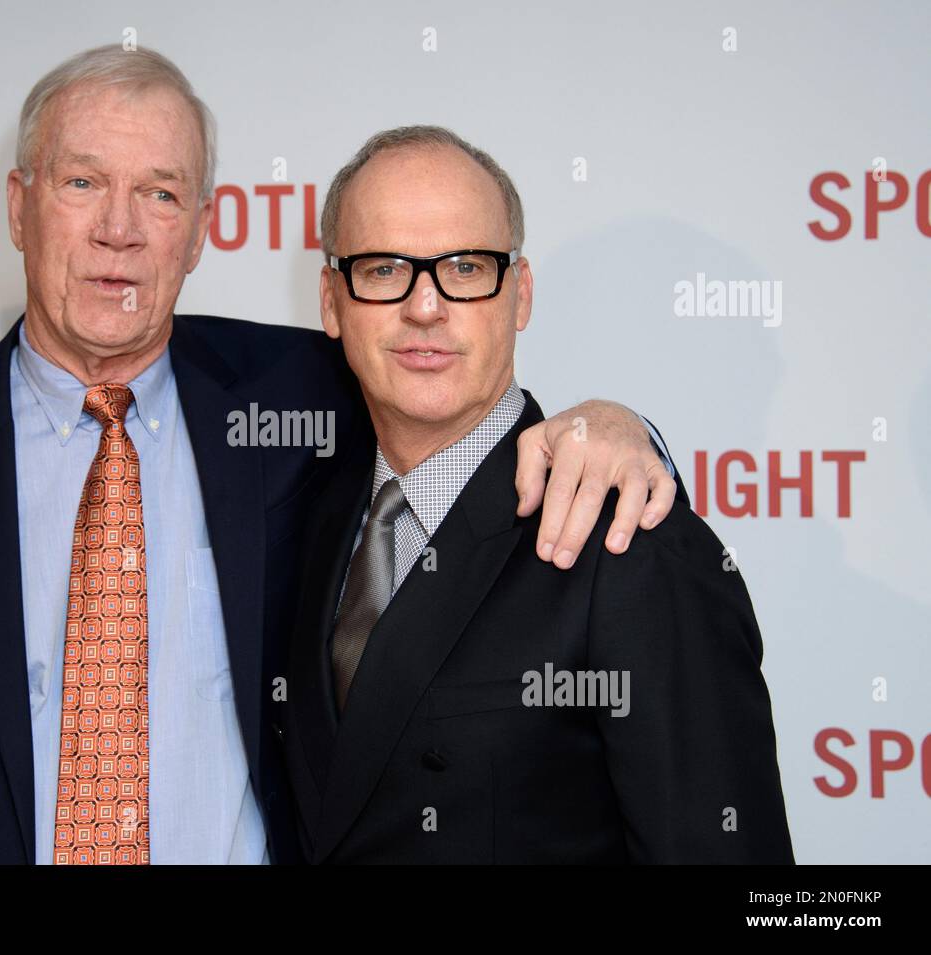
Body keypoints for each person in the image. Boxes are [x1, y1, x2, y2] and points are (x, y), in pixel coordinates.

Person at [0, 46, 682, 865]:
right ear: (19, 208)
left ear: (200, 229)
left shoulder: (307, 397)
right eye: (82, 182)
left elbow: (456, 391)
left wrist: (616, 426)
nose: (121, 227)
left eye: (161, 192)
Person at [281, 125, 794, 863]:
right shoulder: (303, 513)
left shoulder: (631, 545)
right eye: (385, 267)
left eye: (465, 266)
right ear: (332, 301)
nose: (425, 306)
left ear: (519, 294)